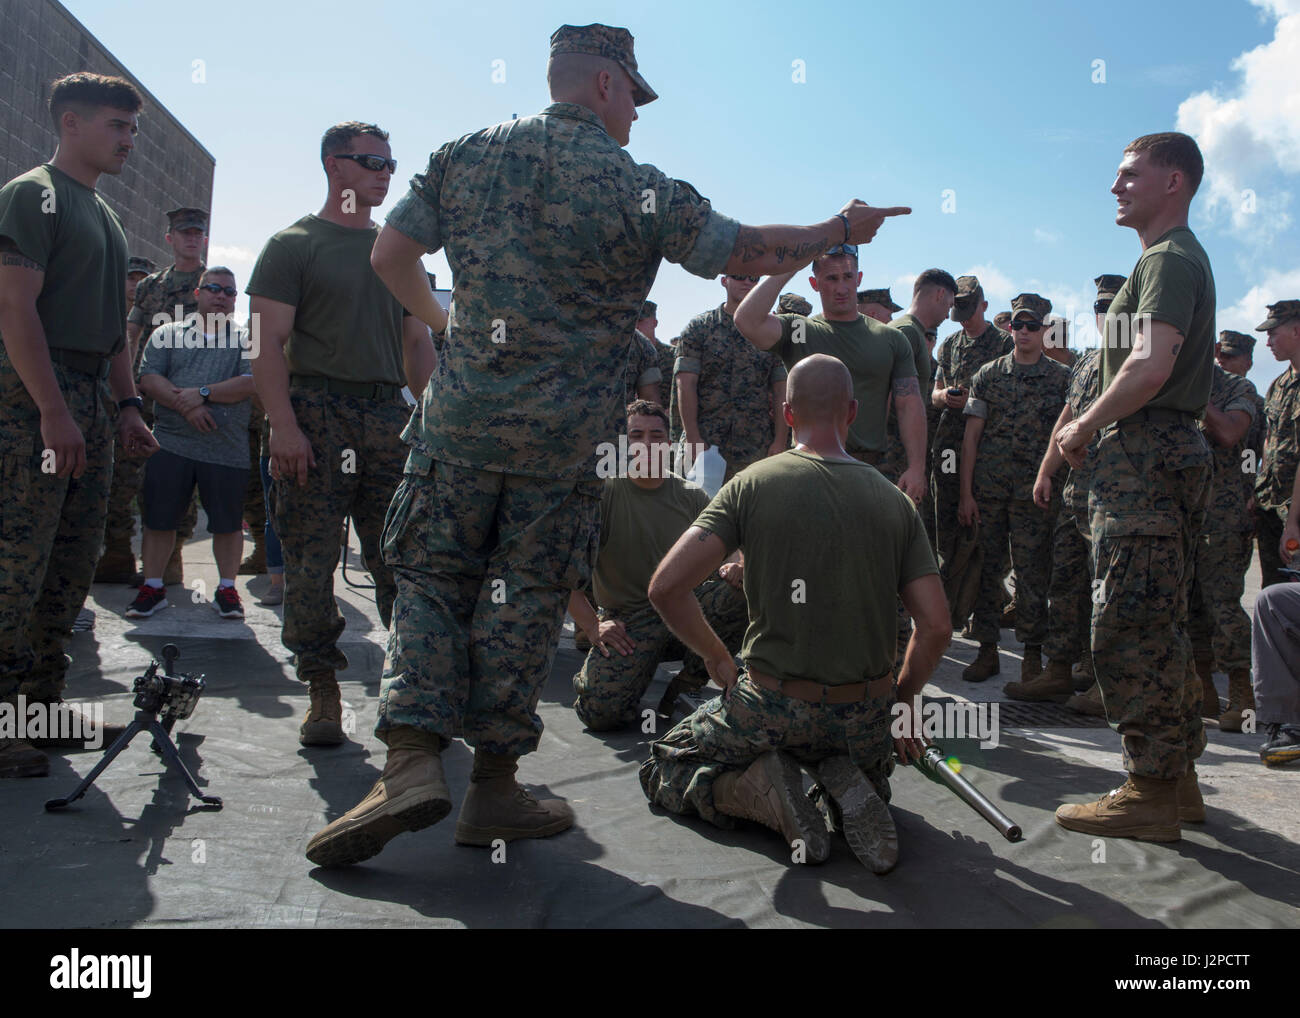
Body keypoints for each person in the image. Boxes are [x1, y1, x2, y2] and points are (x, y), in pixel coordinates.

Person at [302, 21, 909, 867]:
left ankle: (409, 762)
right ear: (604, 86)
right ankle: (493, 786)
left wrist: (452, 331)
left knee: (434, 583)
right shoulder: (638, 186)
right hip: (563, 445)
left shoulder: (463, 154)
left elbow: (390, 255)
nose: (636, 118)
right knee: (522, 601)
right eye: (634, 99)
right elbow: (747, 250)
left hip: (459, 425)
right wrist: (837, 227)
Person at [638, 355, 949, 873]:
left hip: (773, 704)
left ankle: (757, 787)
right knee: (860, 758)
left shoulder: (751, 484)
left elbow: (666, 588)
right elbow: (937, 625)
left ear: (786, 413)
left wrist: (717, 658)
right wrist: (904, 701)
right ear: (852, 411)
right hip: (865, 713)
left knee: (666, 764)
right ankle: (842, 776)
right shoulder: (896, 503)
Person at [248, 121, 435, 747]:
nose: (385, 173)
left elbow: (418, 344)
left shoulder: (397, 251)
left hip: (388, 420)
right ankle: (322, 687)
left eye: (390, 163)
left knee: (403, 562)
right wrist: (283, 426)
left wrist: (431, 422)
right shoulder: (294, 244)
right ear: (335, 167)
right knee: (309, 559)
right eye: (371, 162)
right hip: (315, 414)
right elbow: (266, 345)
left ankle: (411, 692)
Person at [1055, 132, 1215, 842]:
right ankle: (1175, 780)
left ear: (1173, 182)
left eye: (1129, 175)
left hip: (1145, 461)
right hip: (1149, 461)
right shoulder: (1158, 260)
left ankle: (1149, 788)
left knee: (1125, 624)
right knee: (1159, 623)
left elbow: (1149, 368)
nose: (1115, 187)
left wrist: (1083, 425)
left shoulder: (1169, 260)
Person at [0, 72, 158, 778]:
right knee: (16, 561)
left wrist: (126, 407)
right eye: (116, 128)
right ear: (71, 122)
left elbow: (116, 334)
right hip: (35, 396)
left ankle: (38, 707)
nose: (128, 141)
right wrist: (52, 412)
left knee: (70, 562)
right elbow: (14, 309)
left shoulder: (107, 214)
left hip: (91, 393)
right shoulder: (32, 195)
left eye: (132, 130)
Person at [570, 400, 746, 730]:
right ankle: (614, 679)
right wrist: (593, 627)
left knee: (738, 590)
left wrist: (736, 565)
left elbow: (733, 550)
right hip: (630, 622)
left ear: (669, 443)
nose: (647, 444)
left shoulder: (691, 495)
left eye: (657, 435)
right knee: (598, 714)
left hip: (685, 613)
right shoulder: (604, 495)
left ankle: (689, 685)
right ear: (623, 443)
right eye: (636, 435)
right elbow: (560, 572)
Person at [733, 246, 928, 502]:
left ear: (858, 279)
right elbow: (746, 320)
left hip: (869, 468)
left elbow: (909, 404)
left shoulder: (891, 339)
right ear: (814, 283)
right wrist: (796, 260)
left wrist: (917, 467)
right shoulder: (799, 330)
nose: (841, 288)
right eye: (831, 278)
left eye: (848, 277)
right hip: (808, 467)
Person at [128, 268, 254, 620]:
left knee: (228, 524)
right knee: (159, 519)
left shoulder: (247, 338)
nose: (221, 296)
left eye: (229, 292)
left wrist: (200, 394)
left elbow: (251, 382)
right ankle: (152, 587)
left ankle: (227, 590)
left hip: (226, 449)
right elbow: (150, 378)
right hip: (171, 444)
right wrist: (188, 409)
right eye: (213, 288)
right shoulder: (168, 333)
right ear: (198, 293)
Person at [957, 293, 1069, 683]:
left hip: (1035, 494)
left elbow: (1065, 439)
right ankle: (986, 651)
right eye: (1017, 325)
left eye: (1031, 326)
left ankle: (1032, 658)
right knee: (986, 571)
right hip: (989, 490)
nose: (1022, 332)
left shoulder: (1061, 379)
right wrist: (966, 493)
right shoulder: (987, 375)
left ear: (1043, 330)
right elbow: (971, 438)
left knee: (1032, 574)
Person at [109, 207, 211, 586]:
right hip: (147, 396)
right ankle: (118, 553)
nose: (191, 239)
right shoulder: (151, 285)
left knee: (178, 480)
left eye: (196, 233)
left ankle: (170, 559)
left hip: (189, 400)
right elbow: (130, 333)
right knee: (124, 475)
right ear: (169, 239)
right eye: (183, 233)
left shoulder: (213, 284)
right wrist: (128, 386)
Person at [930, 274, 1012, 618]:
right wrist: (945, 398)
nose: (964, 316)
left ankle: (985, 611)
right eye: (958, 309)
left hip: (989, 452)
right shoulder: (949, 345)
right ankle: (950, 609)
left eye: (969, 309)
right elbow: (933, 394)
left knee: (987, 533)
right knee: (947, 531)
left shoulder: (1004, 345)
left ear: (984, 306)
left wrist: (975, 404)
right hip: (948, 449)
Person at [1189, 363, 1259, 728]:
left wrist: (1194, 391)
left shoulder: (1237, 388)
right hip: (1182, 513)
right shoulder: (1162, 379)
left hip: (1223, 517)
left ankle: (1243, 696)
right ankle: (1204, 693)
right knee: (1190, 608)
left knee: (1223, 606)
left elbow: (1231, 433)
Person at [675, 273, 788, 479]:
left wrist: (780, 440)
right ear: (724, 281)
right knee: (698, 507)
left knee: (753, 509)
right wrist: (692, 436)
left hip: (756, 446)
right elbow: (686, 385)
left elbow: (781, 389)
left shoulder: (771, 331)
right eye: (739, 276)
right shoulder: (700, 328)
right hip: (706, 443)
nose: (747, 282)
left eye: (753, 278)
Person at [1255, 300, 1300, 589]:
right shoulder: (1278, 385)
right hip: (1271, 508)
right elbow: (1267, 443)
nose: (1268, 342)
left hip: (1294, 514)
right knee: (1273, 594)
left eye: (1273, 334)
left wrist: (1294, 521)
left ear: (1297, 330)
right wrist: (1256, 490)